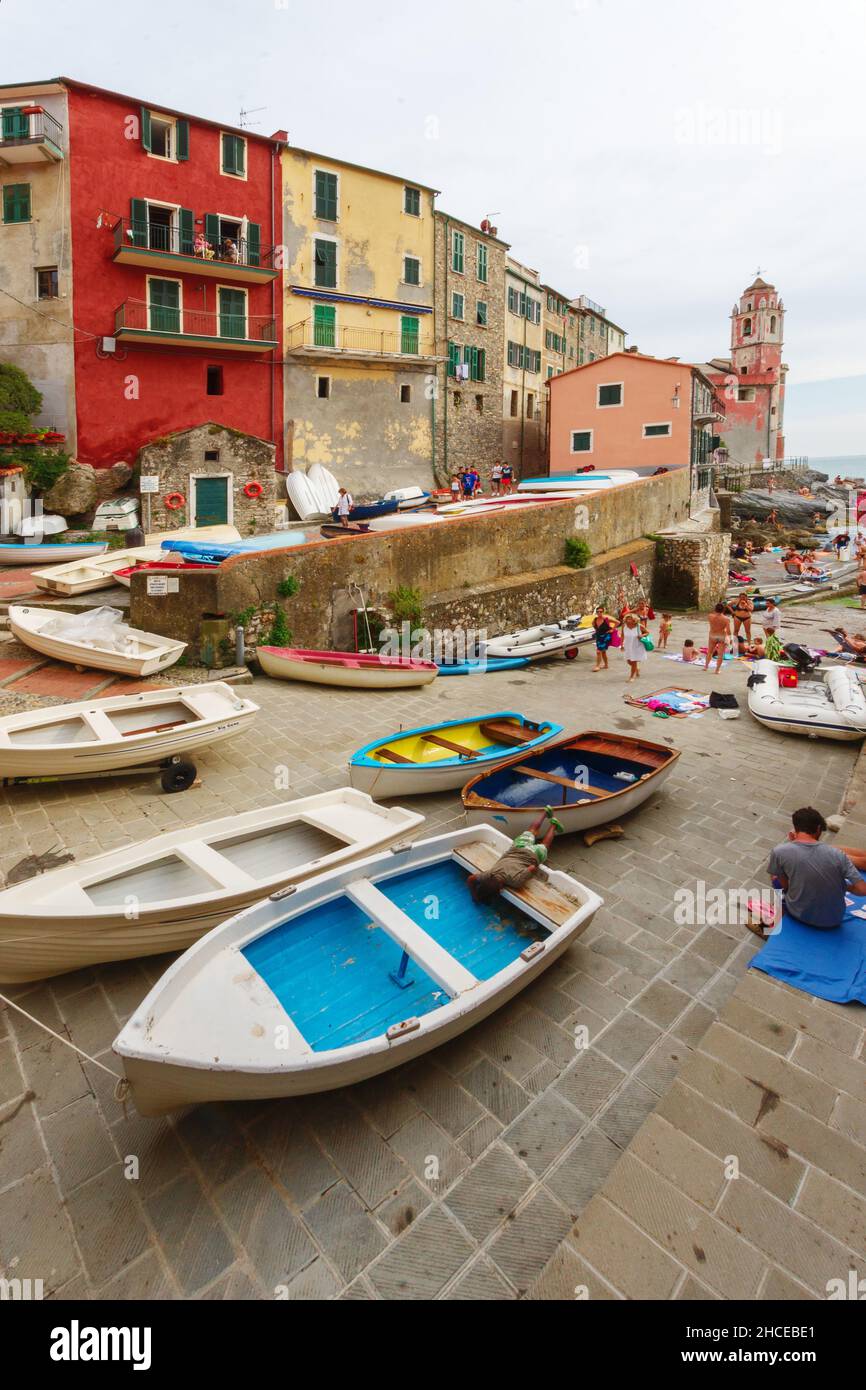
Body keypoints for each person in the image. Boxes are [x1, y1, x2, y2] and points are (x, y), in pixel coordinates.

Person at [766, 807, 866, 930]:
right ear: (818, 829)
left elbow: (785, 886)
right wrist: (845, 886)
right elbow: (862, 890)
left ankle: (779, 909)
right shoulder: (838, 855)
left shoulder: (779, 851)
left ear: (795, 828)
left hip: (798, 913)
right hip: (833, 920)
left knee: (776, 874)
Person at [468, 809, 563, 904]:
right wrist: (474, 895)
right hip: (517, 847)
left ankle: (554, 825)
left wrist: (529, 873)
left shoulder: (516, 882)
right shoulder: (489, 874)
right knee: (531, 831)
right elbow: (470, 879)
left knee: (545, 845)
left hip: (532, 854)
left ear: (500, 889)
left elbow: (532, 868)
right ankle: (545, 812)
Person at [591, 606, 619, 672]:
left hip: (606, 637)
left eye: (600, 611)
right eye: (597, 611)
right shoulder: (595, 620)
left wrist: (612, 629)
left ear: (603, 612)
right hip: (599, 637)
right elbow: (594, 626)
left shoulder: (606, 619)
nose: (599, 613)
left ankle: (597, 666)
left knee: (598, 651)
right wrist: (597, 630)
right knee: (603, 652)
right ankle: (606, 665)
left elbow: (617, 622)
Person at [705, 602, 731, 674]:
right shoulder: (726, 619)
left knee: (710, 652)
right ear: (723, 610)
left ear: (715, 609)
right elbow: (729, 632)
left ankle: (706, 667)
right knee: (720, 654)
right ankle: (717, 670)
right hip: (721, 636)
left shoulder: (710, 616)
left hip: (712, 635)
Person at [621, 610, 645, 682]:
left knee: (633, 661)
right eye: (627, 618)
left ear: (634, 619)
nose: (628, 620)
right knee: (628, 661)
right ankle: (636, 669)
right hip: (627, 645)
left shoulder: (639, 626)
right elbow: (622, 635)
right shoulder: (624, 626)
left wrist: (642, 635)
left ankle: (632, 677)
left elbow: (647, 632)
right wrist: (621, 644)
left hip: (636, 646)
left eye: (630, 618)